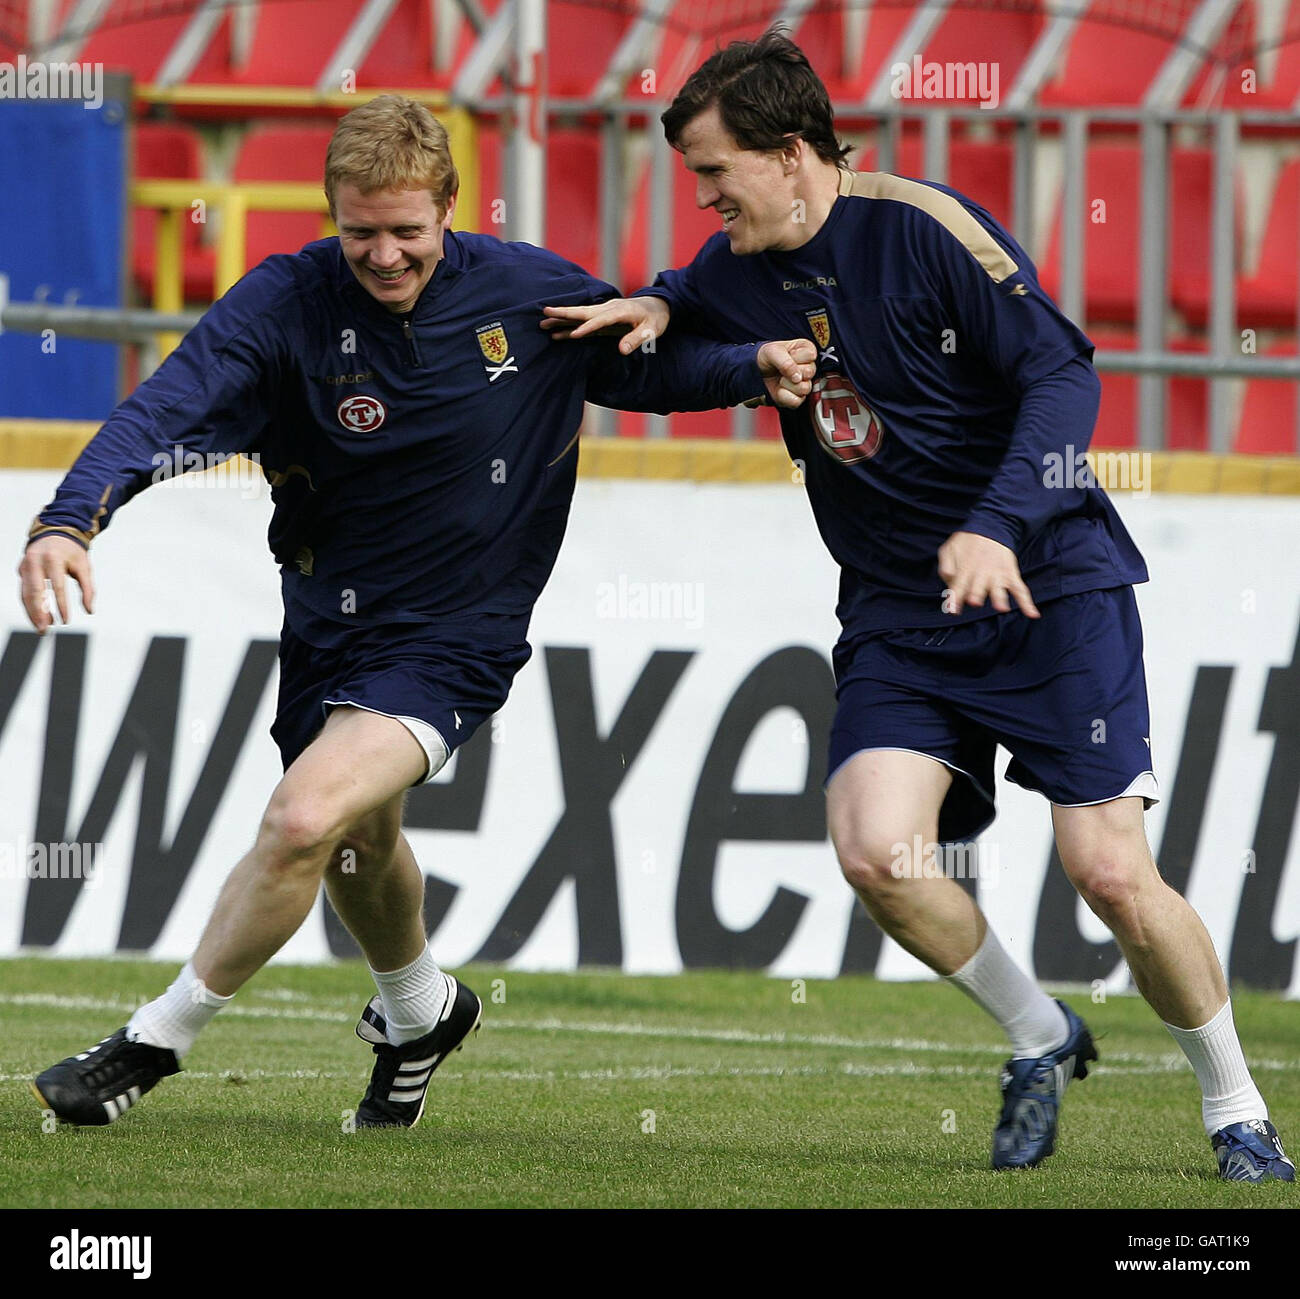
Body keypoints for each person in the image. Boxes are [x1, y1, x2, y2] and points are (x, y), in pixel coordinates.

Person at [542, 31, 1294, 1182]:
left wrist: (995, 524)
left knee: (1108, 874)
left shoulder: (922, 228)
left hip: (1048, 586)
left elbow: (1065, 374)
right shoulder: (731, 265)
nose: (701, 199)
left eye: (713, 172)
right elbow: (675, 328)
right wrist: (655, 307)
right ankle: (1043, 1034)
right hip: (898, 605)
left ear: (789, 153)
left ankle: (1235, 1107)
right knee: (875, 850)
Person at [20, 94, 816, 1131]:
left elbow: (641, 367)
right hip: (325, 619)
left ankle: (150, 1043)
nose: (385, 256)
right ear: (329, 215)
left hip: (458, 632)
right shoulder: (282, 305)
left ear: (450, 206)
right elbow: (165, 410)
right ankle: (420, 1012)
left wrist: (745, 369)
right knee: (356, 842)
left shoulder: (526, 291)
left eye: (407, 231)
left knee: (304, 817)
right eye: (359, 233)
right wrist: (69, 518)